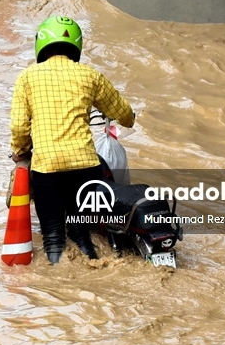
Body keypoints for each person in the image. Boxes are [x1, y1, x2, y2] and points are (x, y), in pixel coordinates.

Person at [10, 16, 136, 264]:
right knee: (81, 235)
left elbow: (19, 126)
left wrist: (20, 151)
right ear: (77, 44)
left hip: (47, 169)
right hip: (86, 169)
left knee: (53, 239)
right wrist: (129, 118)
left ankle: (57, 273)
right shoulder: (90, 76)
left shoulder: (27, 77)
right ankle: (91, 262)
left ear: (41, 44)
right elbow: (124, 114)